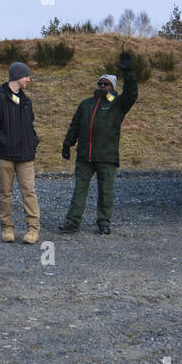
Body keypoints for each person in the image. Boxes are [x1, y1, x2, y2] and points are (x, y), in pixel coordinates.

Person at [60, 53, 138, 234]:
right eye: (100, 83)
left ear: (113, 87)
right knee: (79, 191)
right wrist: (67, 144)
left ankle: (104, 223)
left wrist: (129, 72)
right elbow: (75, 126)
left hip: (107, 157)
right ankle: (72, 223)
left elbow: (132, 93)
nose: (102, 86)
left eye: (106, 84)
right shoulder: (86, 104)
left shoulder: (119, 104)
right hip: (84, 156)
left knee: (106, 193)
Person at [0, 61, 40, 244]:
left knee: (29, 192)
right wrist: (5, 142)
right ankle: (7, 228)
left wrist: (33, 142)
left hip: (25, 155)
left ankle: (33, 229)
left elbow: (29, 125)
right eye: (26, 76)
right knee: (5, 193)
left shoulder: (26, 101)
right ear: (17, 77)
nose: (29, 80)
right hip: (4, 155)